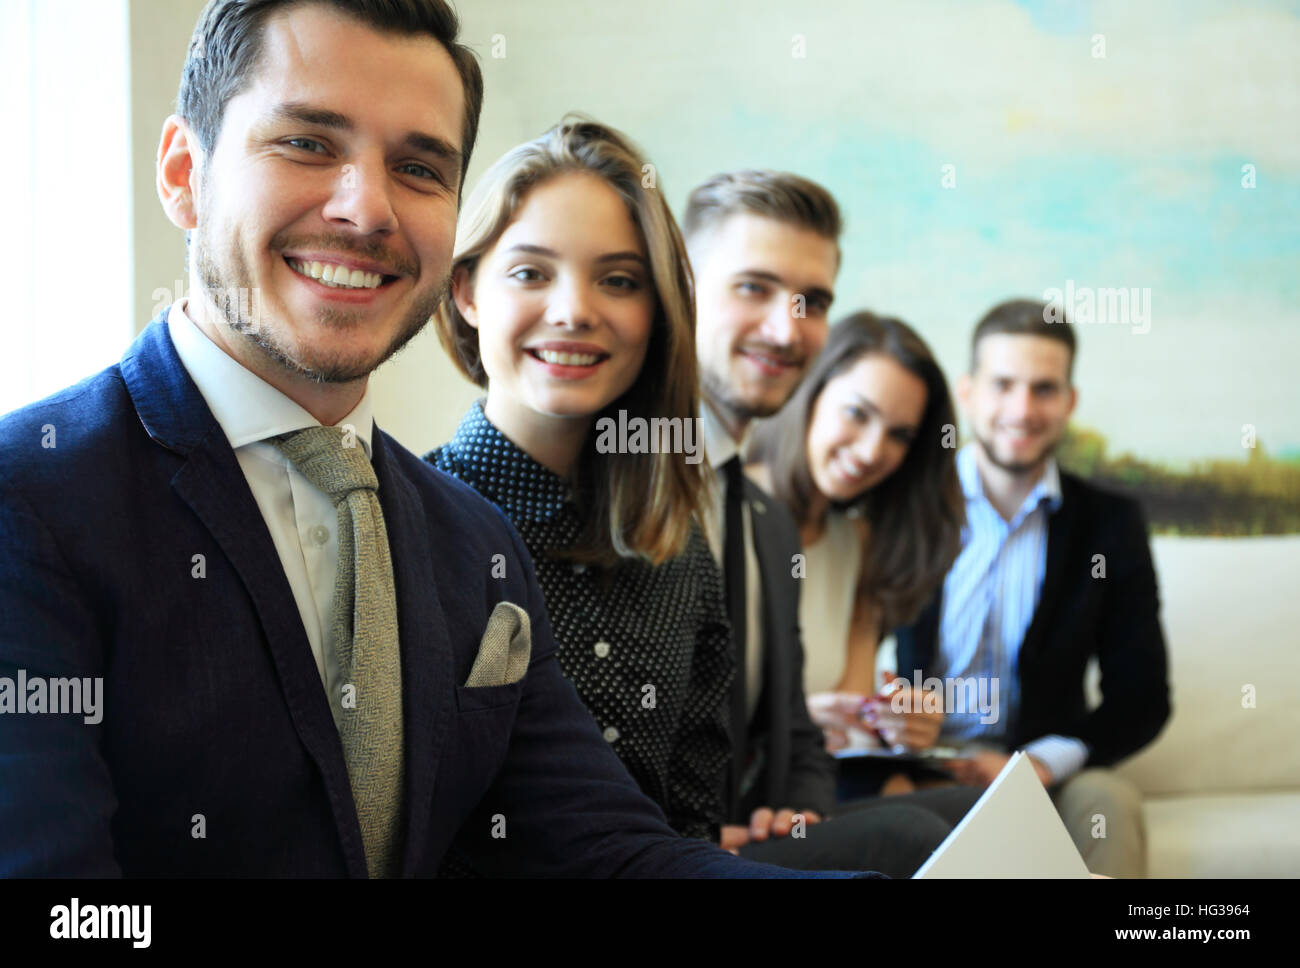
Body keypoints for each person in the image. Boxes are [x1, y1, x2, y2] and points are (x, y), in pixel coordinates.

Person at [0, 0, 868, 879]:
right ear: (185, 172)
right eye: (308, 142)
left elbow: (608, 848)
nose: (366, 208)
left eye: (418, 167)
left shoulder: (471, 540)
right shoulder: (29, 500)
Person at [427, 124, 953, 877]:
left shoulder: (678, 537)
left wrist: (765, 826)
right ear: (467, 290)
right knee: (910, 840)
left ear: (658, 306)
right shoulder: (415, 523)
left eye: (618, 280)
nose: (575, 309)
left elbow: (700, 797)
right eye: (531, 273)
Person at [682, 171, 978, 863]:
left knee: (974, 807)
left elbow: (821, 726)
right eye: (753, 285)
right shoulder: (688, 487)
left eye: (810, 301)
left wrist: (885, 731)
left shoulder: (795, 526)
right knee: (910, 829)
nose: (873, 450)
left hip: (776, 797)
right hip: (698, 824)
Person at [893, 298, 1172, 877]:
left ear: (1070, 402)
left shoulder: (1109, 524)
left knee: (1109, 803)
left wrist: (1036, 765)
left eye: (1044, 389)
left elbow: (1142, 699)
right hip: (918, 763)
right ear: (968, 392)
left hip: (1041, 767)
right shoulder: (904, 503)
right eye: (1003, 385)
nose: (1021, 409)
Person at [746, 312, 964, 795]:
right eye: (858, 413)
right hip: (727, 804)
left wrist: (895, 727)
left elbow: (849, 731)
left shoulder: (858, 544)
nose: (870, 451)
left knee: (946, 803)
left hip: (804, 793)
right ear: (810, 392)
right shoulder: (716, 510)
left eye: (899, 435)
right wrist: (789, 726)